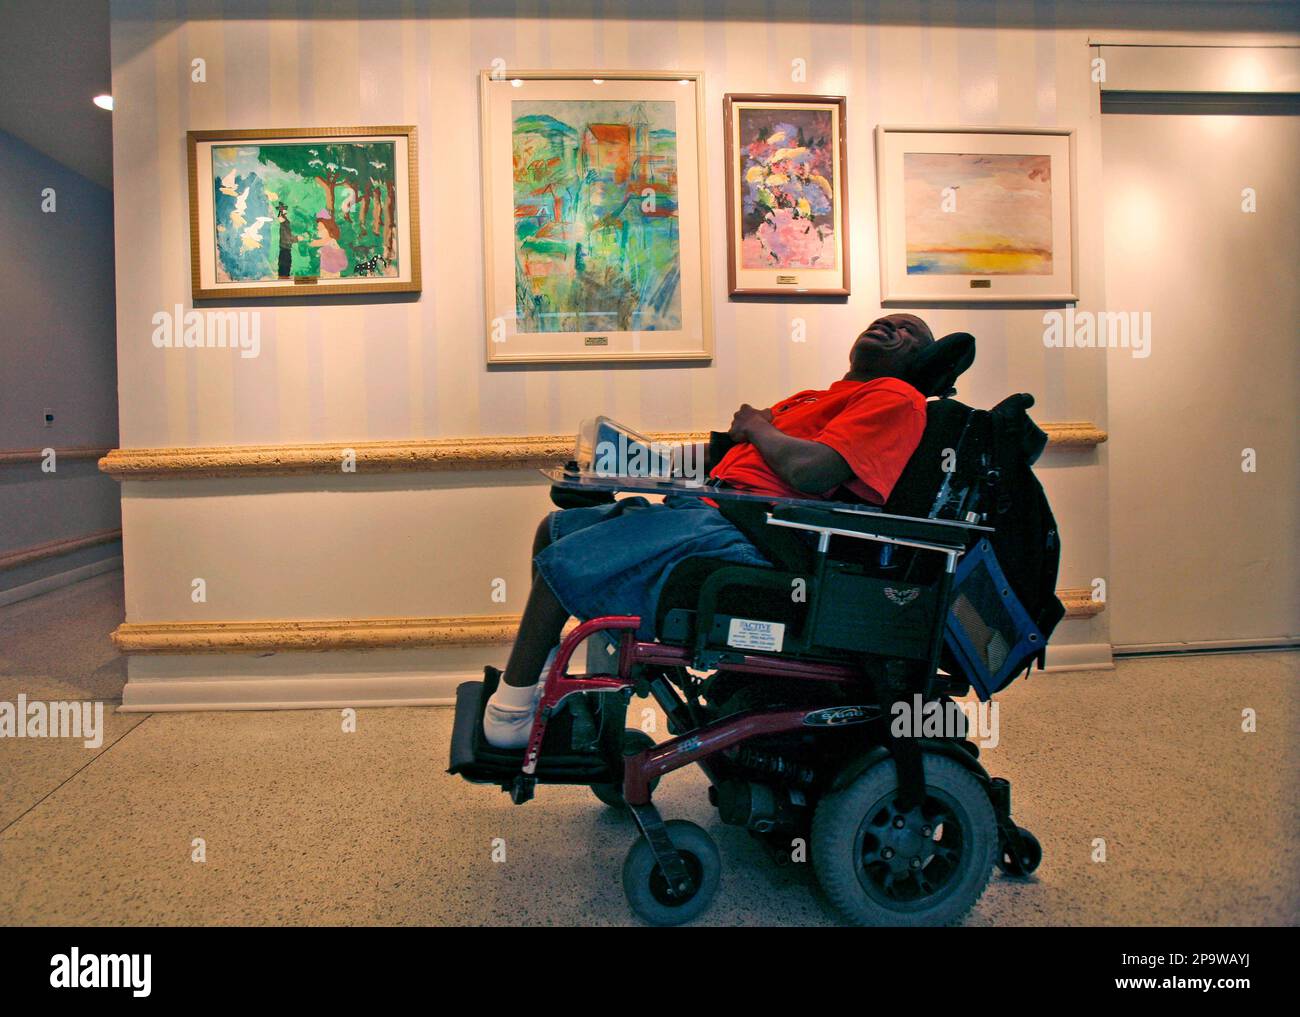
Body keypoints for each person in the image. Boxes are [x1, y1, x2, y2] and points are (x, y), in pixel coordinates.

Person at [483, 313, 936, 747]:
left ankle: (509, 716)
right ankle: (539, 690)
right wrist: (623, 463)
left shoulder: (896, 397)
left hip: (766, 537)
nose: (888, 325)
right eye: (885, 320)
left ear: (918, 361)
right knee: (556, 531)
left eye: (907, 330)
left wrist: (759, 426)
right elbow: (727, 457)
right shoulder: (815, 398)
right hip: (720, 507)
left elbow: (810, 472)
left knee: (566, 562)